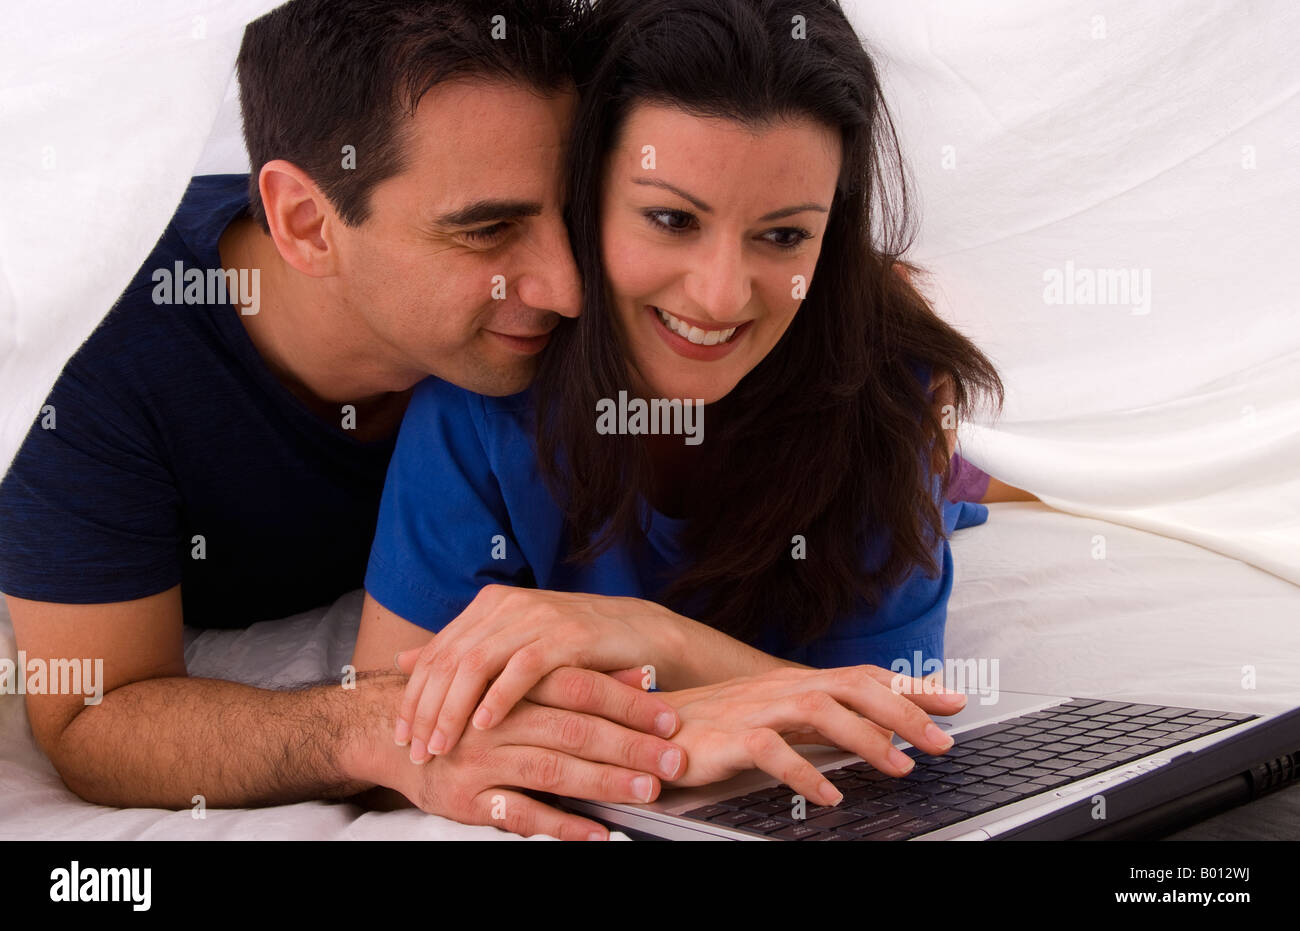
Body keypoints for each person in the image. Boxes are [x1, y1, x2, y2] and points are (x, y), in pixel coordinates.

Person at [0, 0, 705, 839]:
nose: (569, 288)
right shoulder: (95, 352)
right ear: (306, 222)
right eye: (488, 230)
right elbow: (90, 713)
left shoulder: (604, 302)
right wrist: (377, 727)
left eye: (573, 211)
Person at [355, 0, 1009, 833]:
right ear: (585, 199)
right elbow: (387, 740)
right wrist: (674, 729)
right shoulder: (484, 399)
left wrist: (654, 637)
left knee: (964, 484)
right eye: (671, 219)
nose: (720, 295)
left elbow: (889, 728)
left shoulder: (886, 394)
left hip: (903, 438)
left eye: (783, 236)